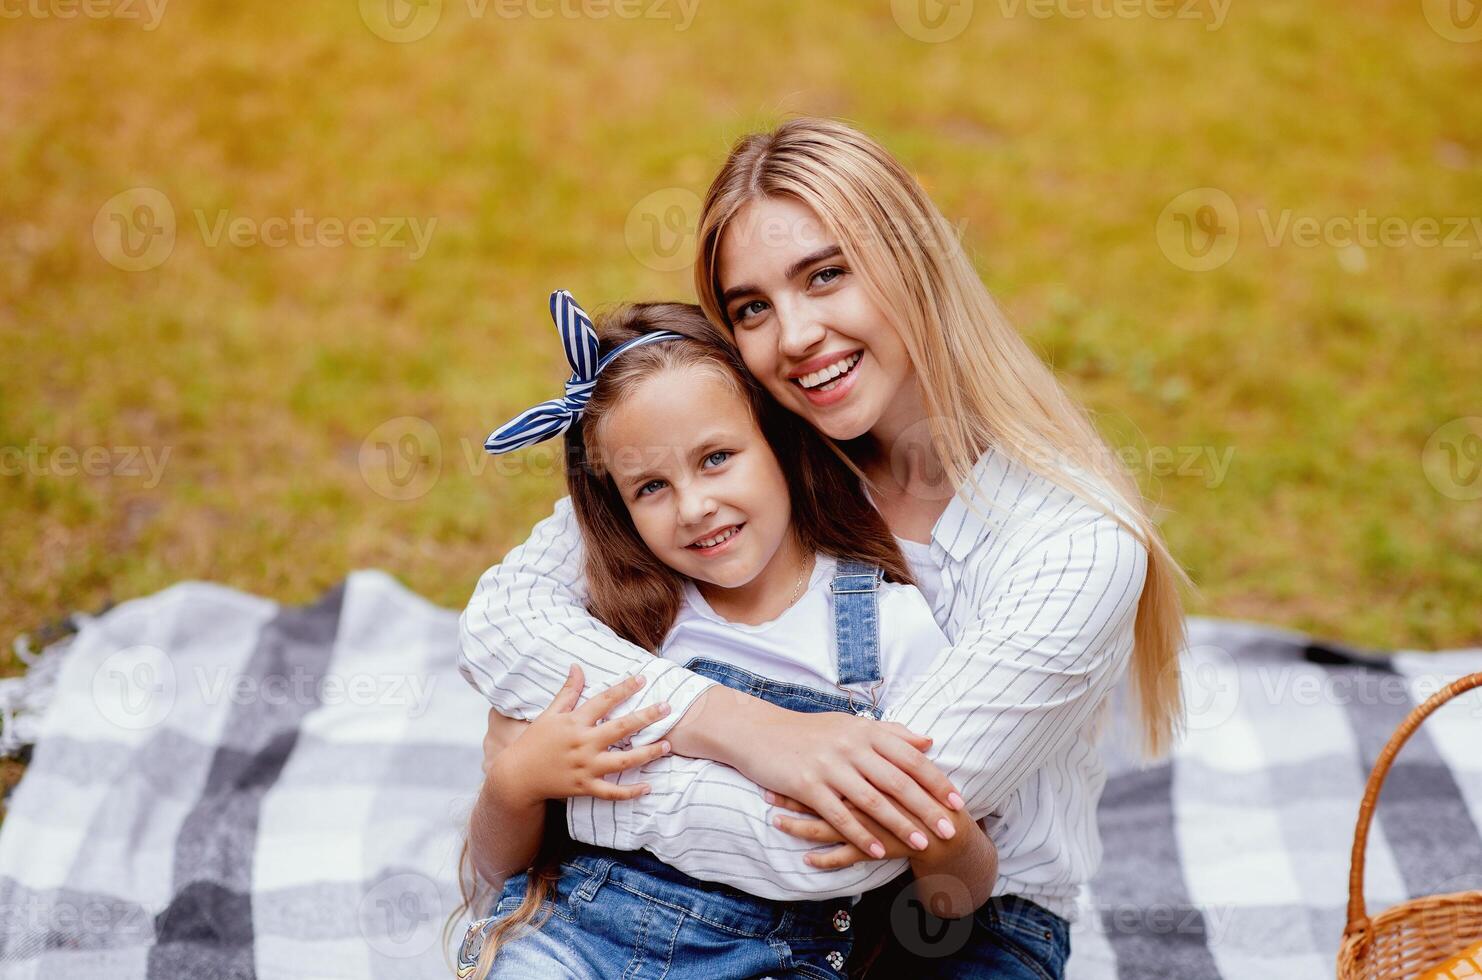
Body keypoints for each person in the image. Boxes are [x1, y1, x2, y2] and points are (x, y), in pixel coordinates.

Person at [461, 118, 1193, 978]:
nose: (797, 335)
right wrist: (743, 727)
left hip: (958, 924)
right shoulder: (750, 460)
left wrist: (556, 783)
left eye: (827, 275)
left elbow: (843, 844)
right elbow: (506, 618)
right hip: (679, 903)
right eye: (753, 309)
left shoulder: (1074, 543)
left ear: (912, 262)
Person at [449, 292, 997, 978]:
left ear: (779, 441)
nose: (694, 506)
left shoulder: (888, 629)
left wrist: (934, 832)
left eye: (716, 458)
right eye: (651, 486)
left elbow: (962, 895)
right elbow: (501, 875)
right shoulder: (623, 633)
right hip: (581, 943)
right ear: (617, 505)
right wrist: (515, 784)